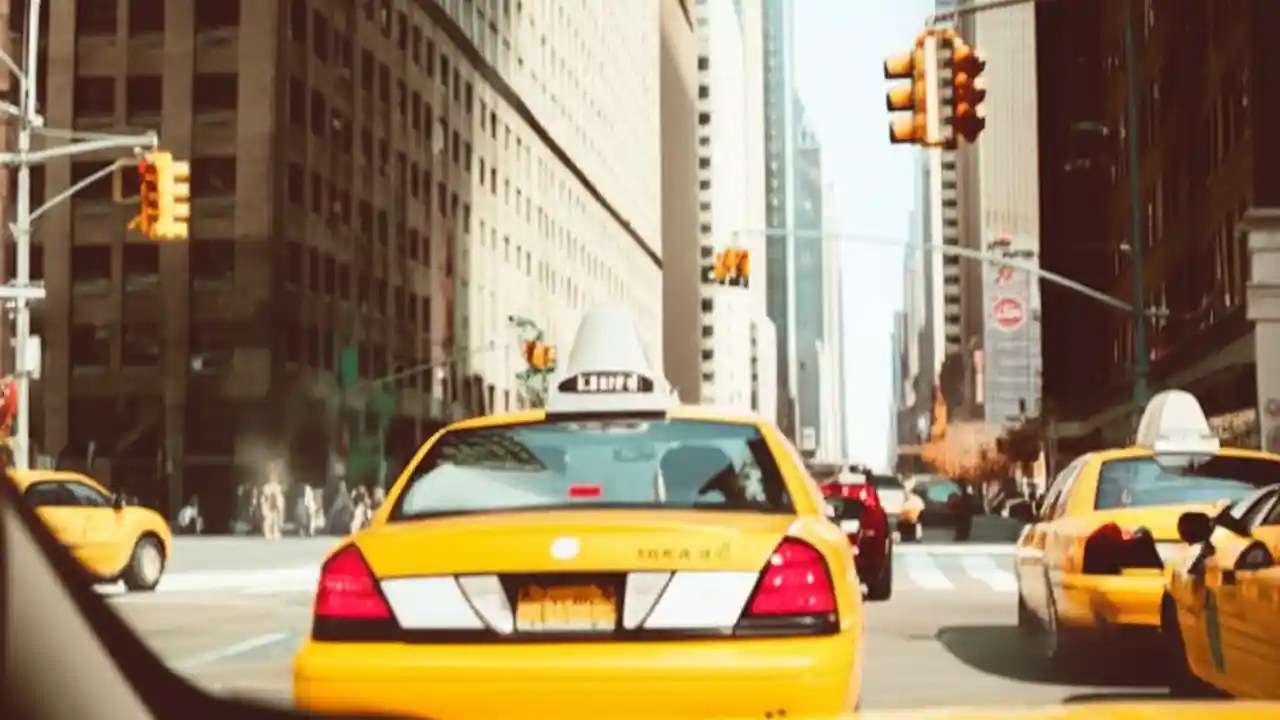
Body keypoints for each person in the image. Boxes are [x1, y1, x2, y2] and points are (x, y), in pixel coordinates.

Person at [259, 463, 286, 540]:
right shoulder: (266, 486)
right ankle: (268, 533)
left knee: (276, 520)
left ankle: (275, 532)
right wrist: (264, 506)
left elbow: (279, 496)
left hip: (275, 505)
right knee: (268, 520)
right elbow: (264, 496)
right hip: (268, 505)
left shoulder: (278, 487)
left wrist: (280, 505)